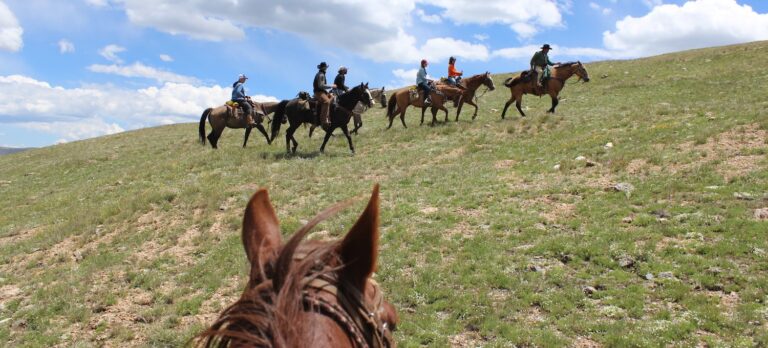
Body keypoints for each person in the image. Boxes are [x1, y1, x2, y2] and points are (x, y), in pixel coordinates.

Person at [313, 61, 336, 128]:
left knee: (333, 97)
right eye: (325, 67)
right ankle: (323, 121)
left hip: (322, 91)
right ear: (324, 68)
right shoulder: (321, 74)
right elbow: (321, 85)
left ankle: (328, 117)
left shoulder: (321, 74)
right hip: (318, 92)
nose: (326, 68)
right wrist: (332, 86)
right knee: (327, 102)